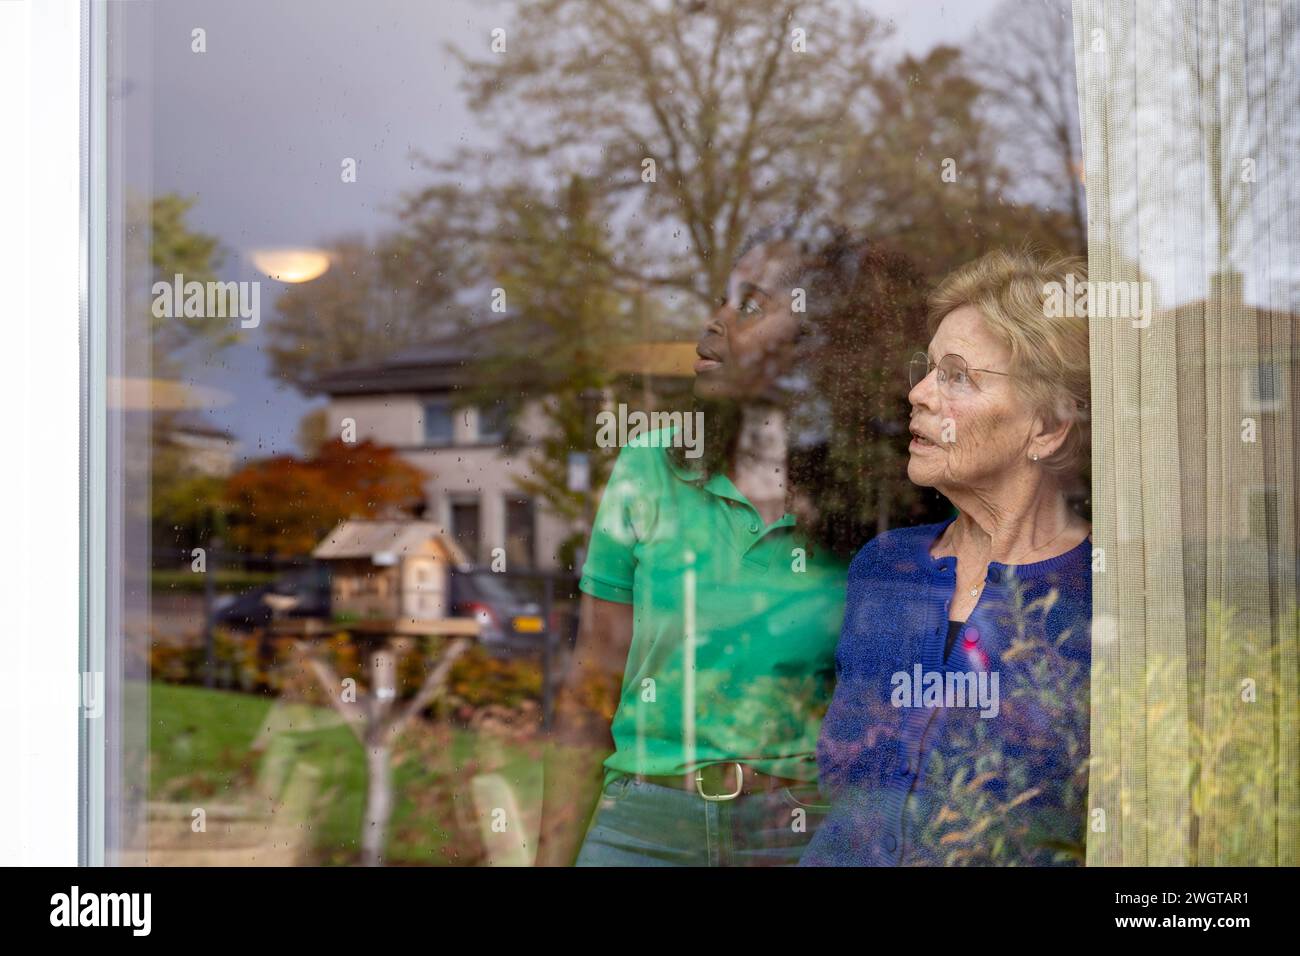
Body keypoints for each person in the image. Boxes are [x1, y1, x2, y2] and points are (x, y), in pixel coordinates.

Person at [534, 220, 928, 866]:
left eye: (749, 306)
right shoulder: (650, 466)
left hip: (799, 834)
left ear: (815, 344)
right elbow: (590, 682)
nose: (713, 325)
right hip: (643, 830)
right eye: (720, 300)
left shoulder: (868, 504)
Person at [800, 247, 1094, 866]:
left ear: (1046, 427)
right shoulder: (886, 569)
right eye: (928, 369)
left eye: (957, 375)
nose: (918, 393)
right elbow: (843, 781)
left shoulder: (1101, 596)